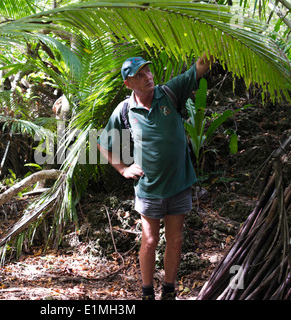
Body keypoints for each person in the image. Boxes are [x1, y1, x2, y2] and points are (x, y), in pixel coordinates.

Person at [98, 55, 211, 300]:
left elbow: (199, 67)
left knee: (176, 240)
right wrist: (123, 169)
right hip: (149, 188)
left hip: (179, 184)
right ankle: (147, 292)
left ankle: (169, 291)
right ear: (128, 83)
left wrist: (216, 46)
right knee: (149, 241)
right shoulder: (125, 110)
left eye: (148, 71)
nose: (147, 77)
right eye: (139, 75)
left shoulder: (169, 92)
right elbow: (103, 144)